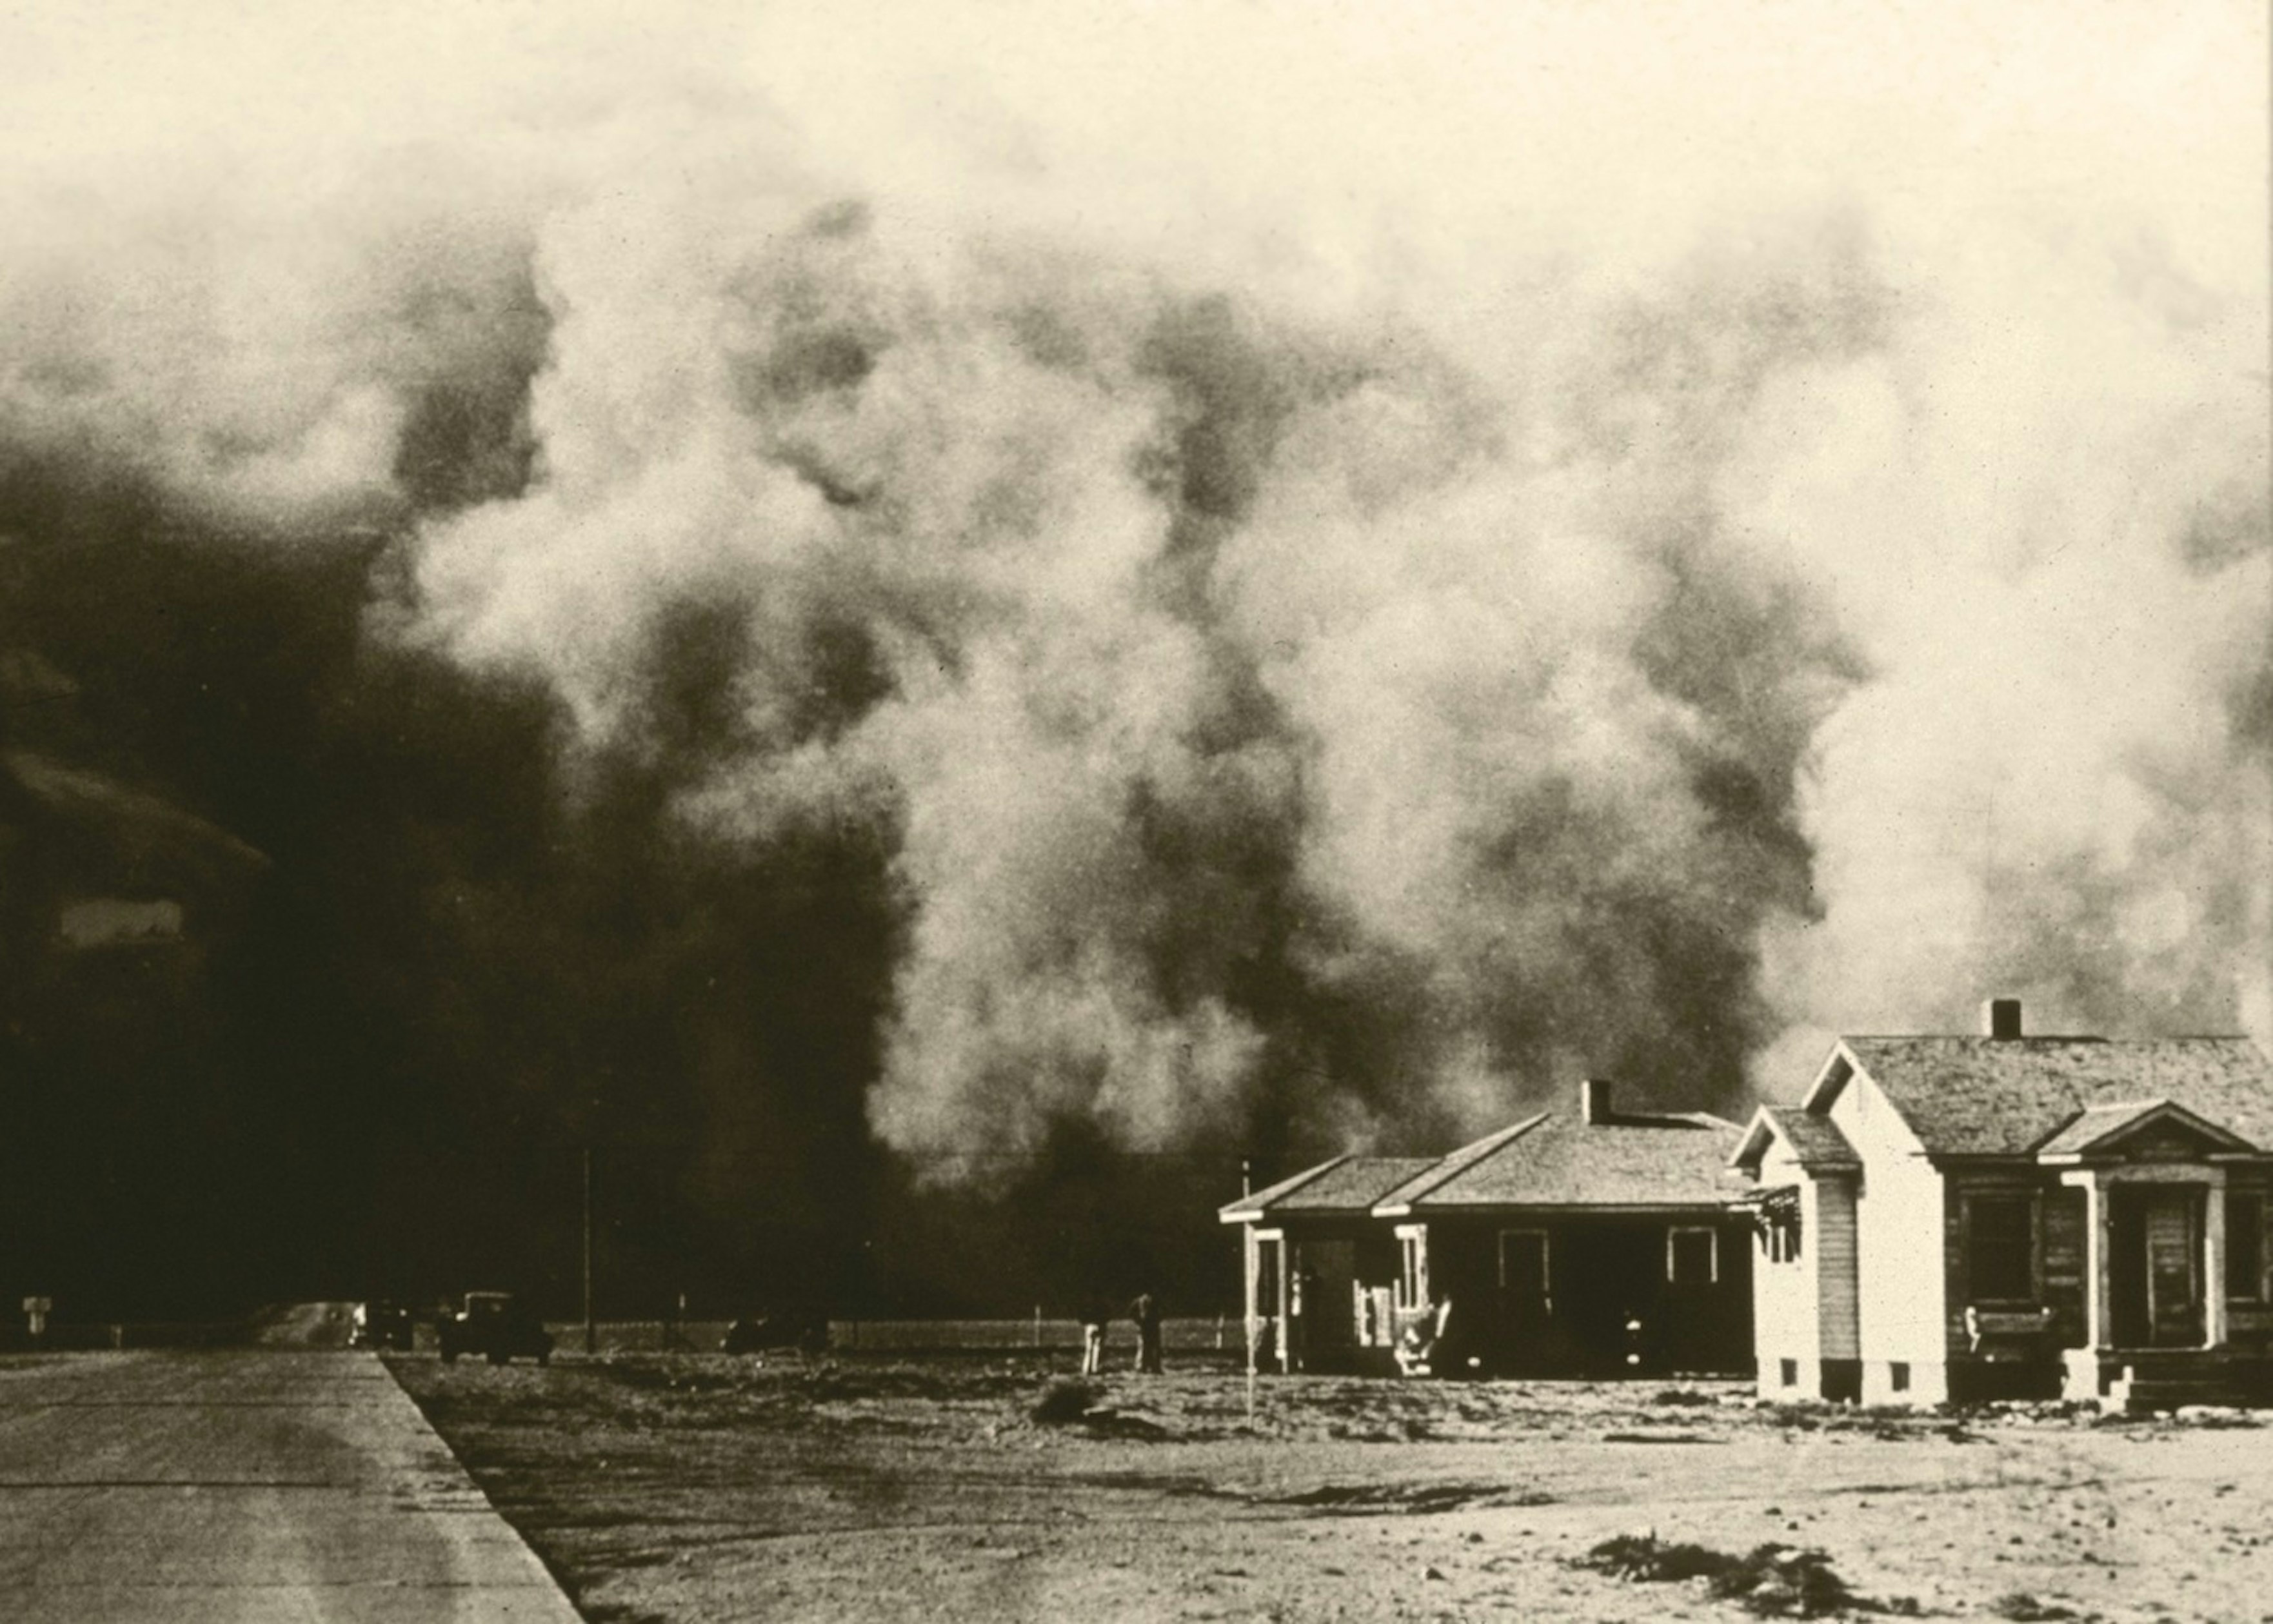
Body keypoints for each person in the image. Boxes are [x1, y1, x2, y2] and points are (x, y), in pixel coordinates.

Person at [1129, 1291, 1163, 1374]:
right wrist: (1158, 1320)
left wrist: (1138, 1321)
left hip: (1143, 1326)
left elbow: (1131, 1312)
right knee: (1154, 1347)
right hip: (1153, 1326)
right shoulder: (1155, 1300)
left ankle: (1142, 1366)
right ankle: (1154, 1366)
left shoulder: (1138, 1301)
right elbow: (1164, 1311)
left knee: (1143, 1347)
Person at [1078, 1299, 1110, 1374]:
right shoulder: (1103, 1305)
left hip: (1089, 1326)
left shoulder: (1087, 1304)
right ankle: (1095, 1368)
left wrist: (1085, 1323)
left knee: (1089, 1349)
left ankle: (1086, 1368)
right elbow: (1108, 1315)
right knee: (1098, 1348)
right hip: (1100, 1325)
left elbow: (1080, 1314)